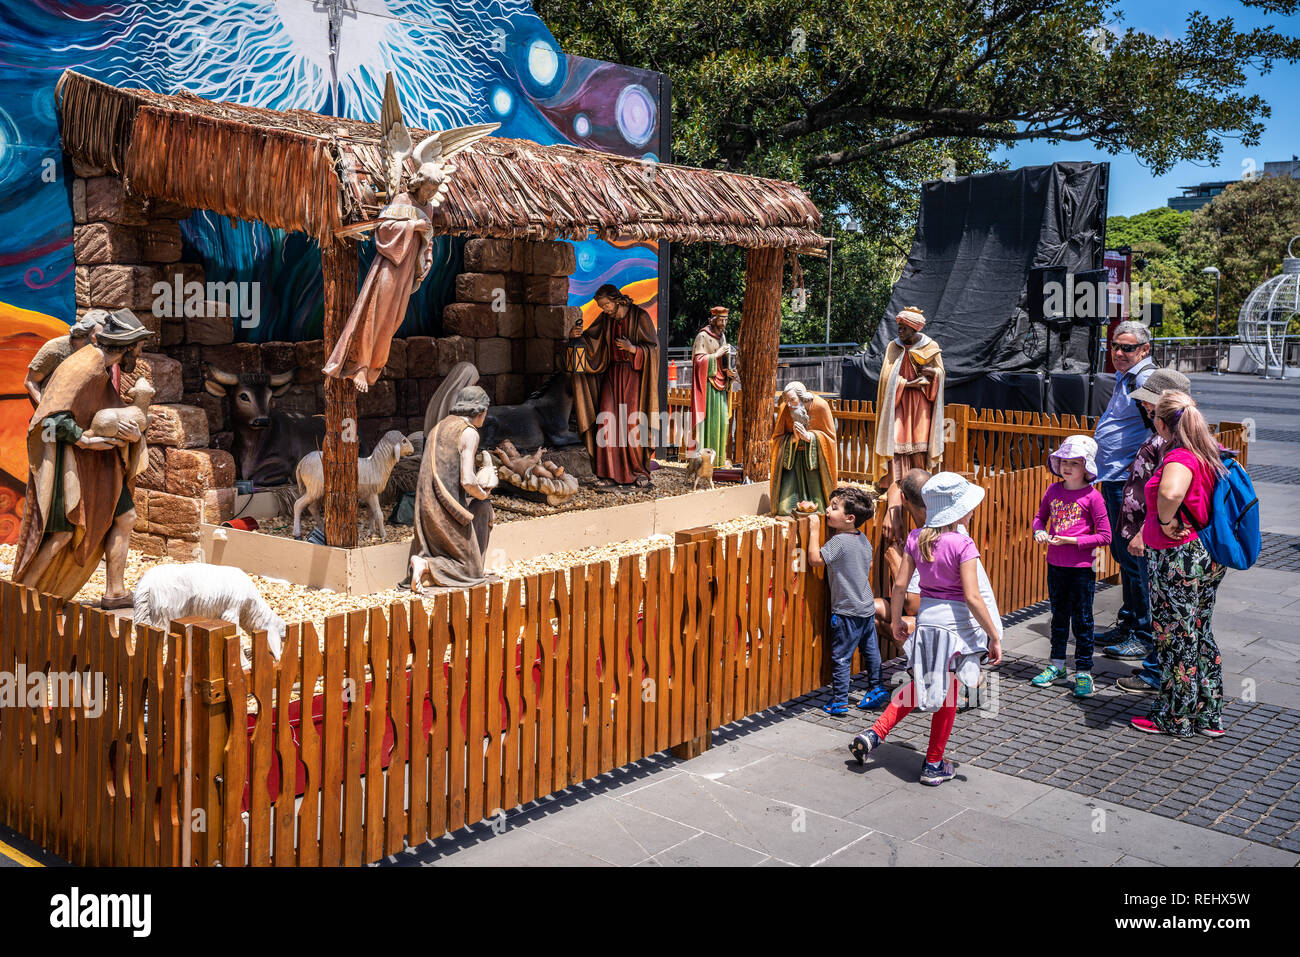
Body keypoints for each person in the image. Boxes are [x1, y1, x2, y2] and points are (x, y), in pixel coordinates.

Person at [850, 472, 1003, 786]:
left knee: (922, 685)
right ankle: (933, 763)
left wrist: (895, 621)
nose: (972, 509)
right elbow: (973, 597)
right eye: (967, 505)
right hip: (956, 632)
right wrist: (993, 635)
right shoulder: (963, 543)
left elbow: (900, 585)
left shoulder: (915, 539)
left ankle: (875, 733)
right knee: (947, 696)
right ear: (956, 510)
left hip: (928, 628)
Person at [12, 309, 152, 606]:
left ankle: (114, 592)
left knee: (125, 517)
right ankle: (20, 599)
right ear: (127, 345)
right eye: (139, 348)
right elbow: (50, 417)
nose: (139, 355)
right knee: (61, 533)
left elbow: (98, 408)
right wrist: (84, 439)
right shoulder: (86, 365)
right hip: (70, 462)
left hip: (101, 462)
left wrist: (127, 424)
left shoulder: (102, 368)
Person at [1130, 392, 1230, 738]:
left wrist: (1166, 520)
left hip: (1178, 558)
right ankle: (1208, 714)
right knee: (1199, 631)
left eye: (1153, 416)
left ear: (1162, 422)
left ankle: (1175, 716)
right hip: (1203, 554)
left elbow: (1171, 493)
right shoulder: (1207, 452)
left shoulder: (1180, 455)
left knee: (1174, 636)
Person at [1112, 369, 1193, 694]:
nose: (1145, 408)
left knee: (1161, 610)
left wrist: (1149, 529)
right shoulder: (1180, 437)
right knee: (1169, 612)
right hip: (1163, 539)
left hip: (1159, 542)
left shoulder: (1169, 442)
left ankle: (1155, 674)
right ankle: (1171, 679)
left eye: (1150, 402)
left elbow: (1168, 493)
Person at [1092, 320, 1157, 660]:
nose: (1118, 353)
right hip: (1115, 476)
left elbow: (1164, 425)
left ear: (1145, 349)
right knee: (1123, 555)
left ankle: (1144, 634)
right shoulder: (1127, 376)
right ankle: (1130, 622)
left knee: (1135, 558)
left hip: (1130, 481)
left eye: (1127, 348)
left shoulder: (1145, 378)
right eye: (1115, 346)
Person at [1029, 435, 1111, 697]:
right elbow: (1039, 518)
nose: (1067, 467)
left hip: (1082, 568)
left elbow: (1106, 536)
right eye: (1064, 461)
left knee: (1083, 620)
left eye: (1074, 463)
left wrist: (1073, 541)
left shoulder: (1094, 497)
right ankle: (1057, 665)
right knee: (1059, 617)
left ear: (1086, 468)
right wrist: (1038, 532)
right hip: (1055, 565)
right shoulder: (1052, 490)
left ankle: (1084, 671)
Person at [569, 284, 660, 487]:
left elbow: (654, 349)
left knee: (631, 424)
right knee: (606, 422)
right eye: (602, 306)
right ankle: (608, 473)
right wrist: (578, 337)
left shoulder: (640, 317)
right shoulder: (606, 319)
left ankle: (637, 471)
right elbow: (593, 340)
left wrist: (634, 349)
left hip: (634, 378)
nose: (604, 309)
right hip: (613, 374)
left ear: (616, 299)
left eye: (606, 305)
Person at [808, 486, 888, 715]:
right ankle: (876, 688)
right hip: (865, 607)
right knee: (871, 652)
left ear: (849, 518)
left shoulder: (839, 541)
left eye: (834, 508)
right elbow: (869, 565)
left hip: (846, 611)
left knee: (842, 656)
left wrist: (814, 529)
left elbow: (815, 559)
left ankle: (840, 701)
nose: (826, 511)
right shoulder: (863, 539)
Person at [412, 385, 497, 587]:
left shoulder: (438, 427)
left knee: (483, 510)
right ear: (481, 411)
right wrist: (483, 492)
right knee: (472, 573)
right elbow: (467, 480)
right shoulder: (469, 433)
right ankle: (427, 564)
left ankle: (433, 573)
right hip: (446, 511)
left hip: (425, 512)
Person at [874, 306, 945, 483]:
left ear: (915, 329)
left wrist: (933, 373)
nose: (900, 331)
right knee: (895, 440)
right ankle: (894, 484)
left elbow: (941, 373)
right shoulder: (894, 346)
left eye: (904, 328)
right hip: (897, 402)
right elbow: (885, 378)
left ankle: (919, 485)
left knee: (919, 444)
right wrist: (906, 384)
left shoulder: (931, 346)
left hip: (921, 403)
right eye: (899, 327)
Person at [769, 381, 837, 515]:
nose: (788, 404)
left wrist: (810, 437)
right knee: (784, 509)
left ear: (802, 398)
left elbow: (831, 439)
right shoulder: (785, 409)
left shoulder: (820, 406)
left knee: (820, 508)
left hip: (814, 465)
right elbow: (776, 439)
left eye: (792, 400)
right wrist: (793, 439)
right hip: (792, 463)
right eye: (786, 400)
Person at [25, 311, 107, 404]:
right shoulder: (54, 348)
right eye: (99, 336)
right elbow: (30, 381)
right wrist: (44, 409)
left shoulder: (99, 352)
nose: (103, 342)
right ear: (85, 333)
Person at [690, 306, 734, 464]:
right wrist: (716, 354)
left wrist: (729, 372)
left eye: (726, 320)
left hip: (721, 383)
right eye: (721, 320)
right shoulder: (702, 335)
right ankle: (706, 461)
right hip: (707, 386)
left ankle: (719, 460)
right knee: (709, 422)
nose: (724, 323)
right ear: (713, 319)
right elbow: (698, 361)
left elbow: (723, 359)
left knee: (723, 422)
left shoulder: (722, 336)